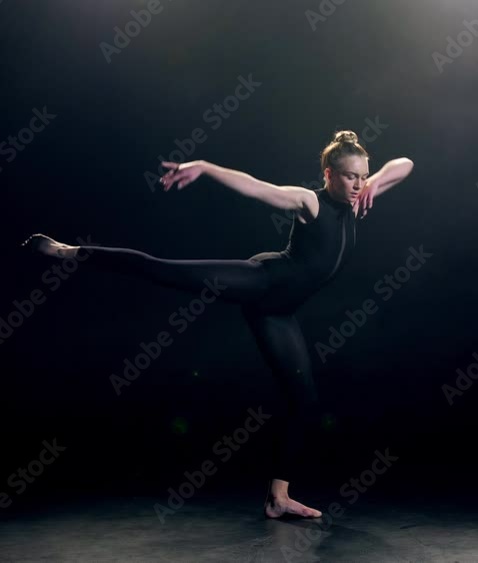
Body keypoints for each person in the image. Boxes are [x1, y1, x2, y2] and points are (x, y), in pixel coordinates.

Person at [23, 131, 414, 518]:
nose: (358, 184)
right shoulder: (310, 201)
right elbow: (256, 188)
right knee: (164, 271)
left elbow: (405, 164)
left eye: (363, 176)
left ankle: (278, 498)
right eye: (351, 177)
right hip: (262, 282)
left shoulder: (360, 197)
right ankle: (69, 251)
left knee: (304, 401)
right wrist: (205, 167)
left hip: (278, 312)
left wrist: (373, 183)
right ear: (329, 174)